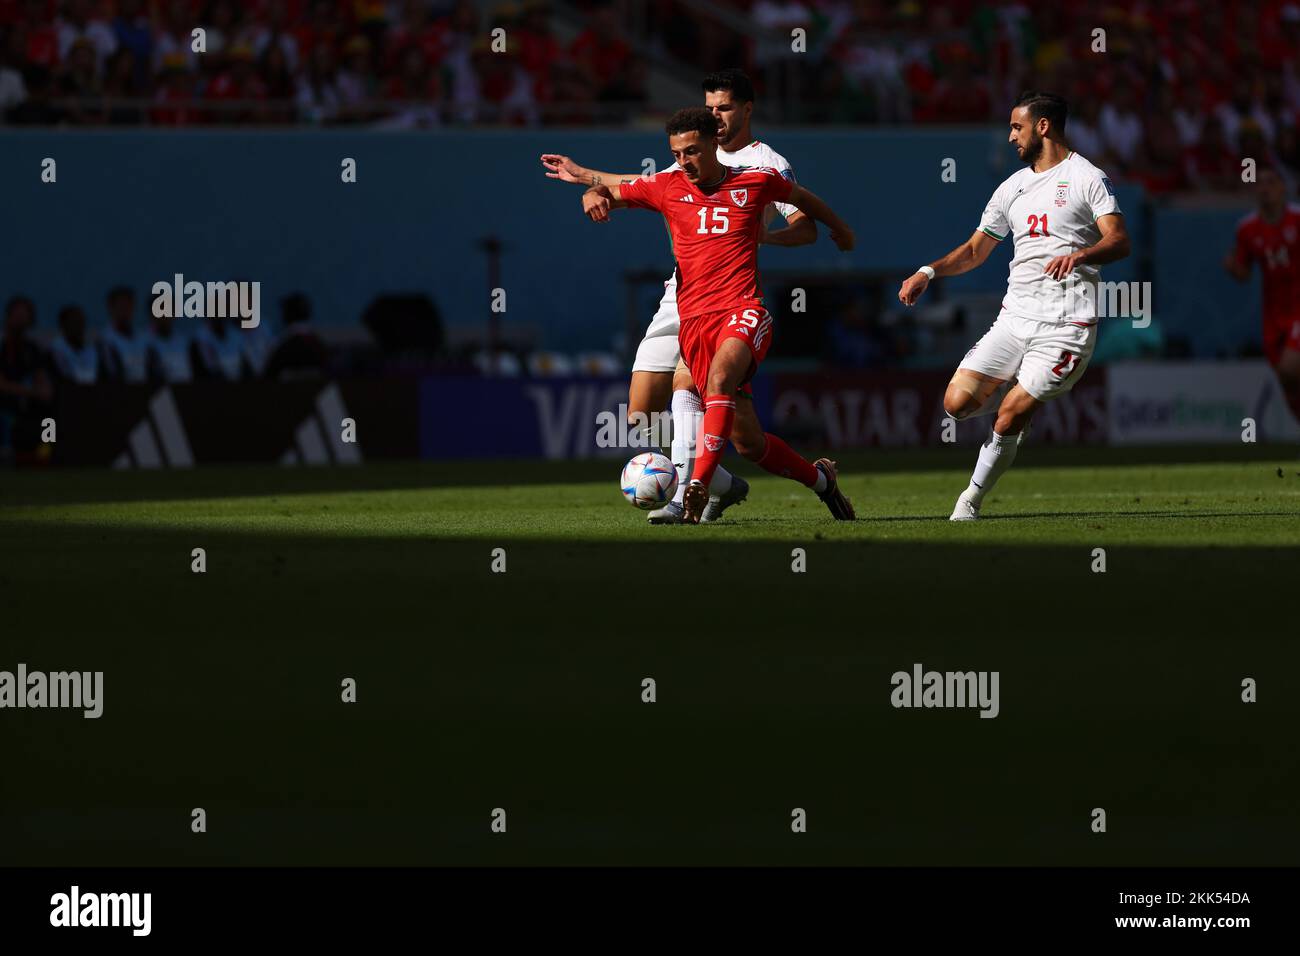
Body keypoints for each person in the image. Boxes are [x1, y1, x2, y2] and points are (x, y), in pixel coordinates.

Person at [541, 68, 817, 523]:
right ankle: (722, 483)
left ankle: (690, 490)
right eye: (710, 108)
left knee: (705, 399)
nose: (716, 116)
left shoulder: (768, 162)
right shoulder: (694, 151)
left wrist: (756, 238)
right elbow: (645, 184)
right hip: (680, 290)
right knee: (641, 413)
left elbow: (804, 229)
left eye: (724, 108)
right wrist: (587, 179)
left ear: (747, 109)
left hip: (728, 297)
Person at [580, 106, 856, 523]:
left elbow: (801, 199)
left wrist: (841, 229)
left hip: (744, 309)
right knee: (749, 443)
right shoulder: (667, 186)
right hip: (694, 321)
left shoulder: (755, 181)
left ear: (714, 145)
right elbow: (615, 194)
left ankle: (693, 489)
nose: (684, 162)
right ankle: (820, 480)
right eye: (676, 153)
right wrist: (591, 194)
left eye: (692, 151)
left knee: (716, 378)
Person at [897, 91, 1130, 520]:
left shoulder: (1087, 178)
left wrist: (1081, 255)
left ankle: (970, 499)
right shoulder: (1012, 187)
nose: (1010, 137)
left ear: (1043, 126)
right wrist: (927, 272)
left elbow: (1119, 239)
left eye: (1016, 127)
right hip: (1015, 320)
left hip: (1066, 325)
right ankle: (1017, 393)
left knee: (1008, 416)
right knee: (956, 404)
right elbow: (974, 251)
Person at [1224, 166, 1300, 425]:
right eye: (1260, 183)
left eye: (1271, 182)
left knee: (1291, 367)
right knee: (1286, 379)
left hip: (1298, 308)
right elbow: (1244, 274)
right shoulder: (1247, 229)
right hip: (1273, 314)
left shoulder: (1297, 221)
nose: (1265, 188)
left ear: (1283, 188)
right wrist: (1233, 267)